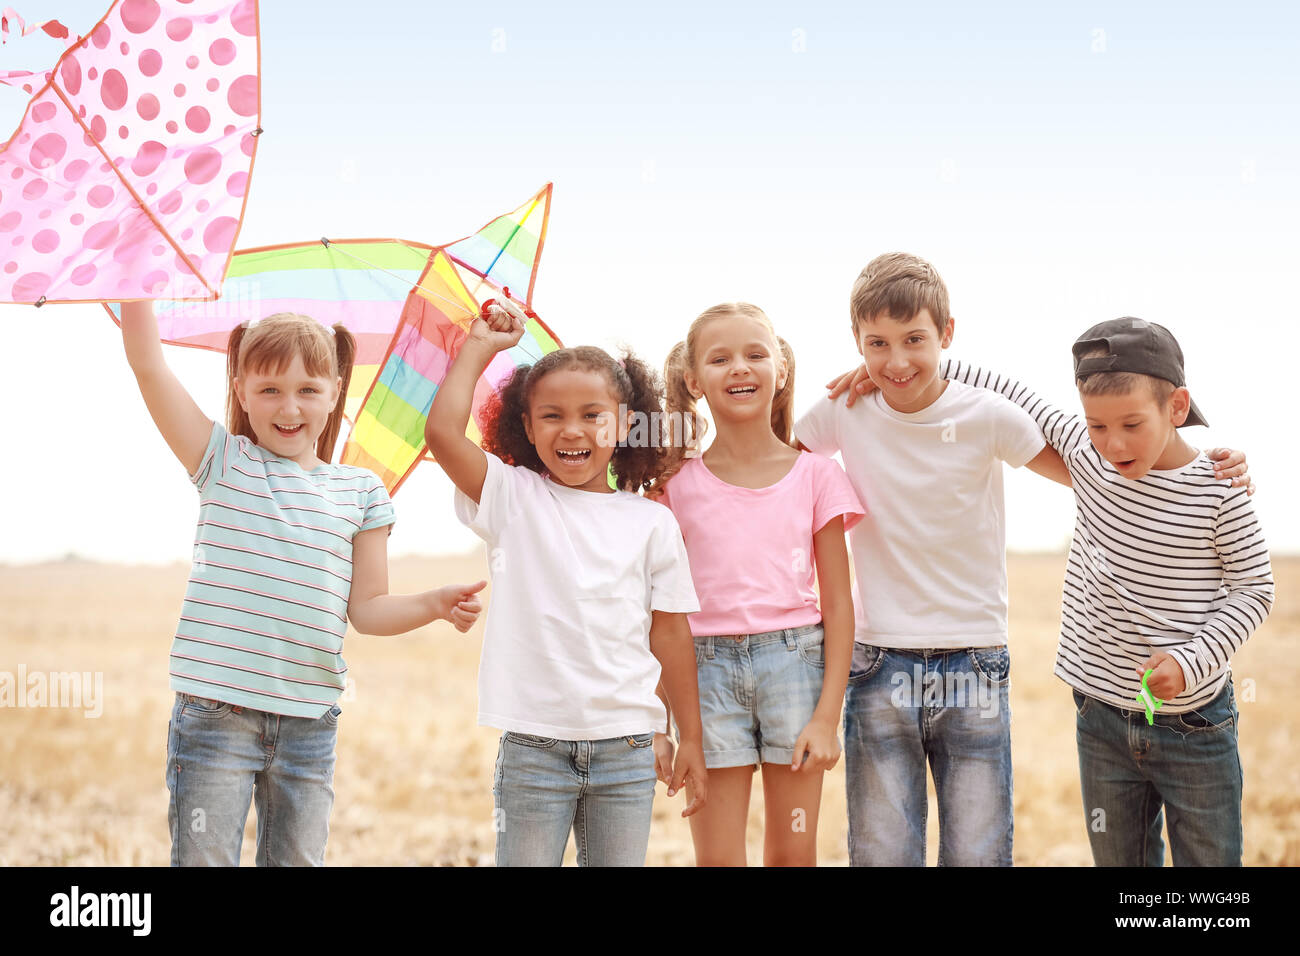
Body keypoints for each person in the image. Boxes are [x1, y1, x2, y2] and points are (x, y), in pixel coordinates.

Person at [838, 317, 1271, 865]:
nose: (1113, 444)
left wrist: (1190, 661)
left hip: (1194, 722)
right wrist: (897, 373)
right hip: (1101, 719)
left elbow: (1255, 587)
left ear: (1177, 407)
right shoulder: (1088, 459)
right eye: (1097, 426)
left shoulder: (1219, 490)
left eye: (1132, 424)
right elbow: (1005, 389)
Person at [120, 301, 485, 866]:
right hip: (218, 714)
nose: (289, 407)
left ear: (336, 391)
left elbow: (368, 610)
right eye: (269, 390)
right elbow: (149, 365)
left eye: (308, 390)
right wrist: (136, 282)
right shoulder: (223, 462)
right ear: (240, 390)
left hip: (309, 722)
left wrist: (433, 604)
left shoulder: (361, 492)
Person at [795, 252, 1077, 866]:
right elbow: (767, 464)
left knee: (978, 854)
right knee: (881, 854)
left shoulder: (987, 416)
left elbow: (1093, 474)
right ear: (856, 342)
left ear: (947, 333)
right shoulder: (842, 411)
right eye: (878, 344)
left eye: (914, 340)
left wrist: (1196, 468)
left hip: (974, 660)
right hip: (876, 662)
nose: (896, 361)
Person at [424, 296, 707, 867]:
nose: (571, 429)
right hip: (534, 749)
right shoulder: (513, 498)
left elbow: (670, 636)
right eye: (551, 415)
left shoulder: (652, 521)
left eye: (591, 414)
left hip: (627, 748)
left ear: (625, 422)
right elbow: (442, 433)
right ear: (526, 425)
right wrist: (480, 345)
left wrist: (689, 737)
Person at [651, 302, 861, 866]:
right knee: (719, 860)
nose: (739, 368)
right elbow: (655, 612)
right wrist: (662, 716)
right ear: (695, 381)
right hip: (703, 677)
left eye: (755, 354)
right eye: (720, 359)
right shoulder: (674, 486)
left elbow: (839, 606)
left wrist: (826, 716)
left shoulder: (817, 474)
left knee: (793, 854)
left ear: (781, 370)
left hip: (796, 668)